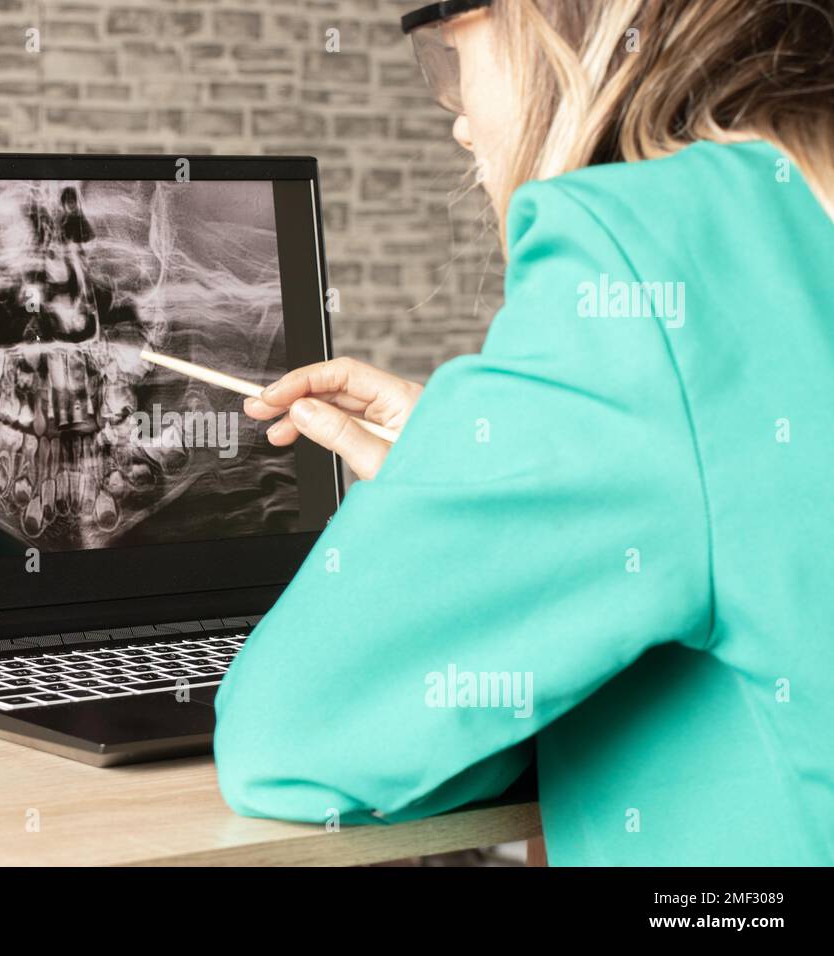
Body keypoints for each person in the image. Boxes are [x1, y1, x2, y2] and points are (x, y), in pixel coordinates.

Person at [213, 0, 834, 865]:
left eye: (446, 39)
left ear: (555, 20)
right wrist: (506, 465)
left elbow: (288, 744)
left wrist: (457, 484)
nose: (462, 120)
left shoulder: (646, 250)